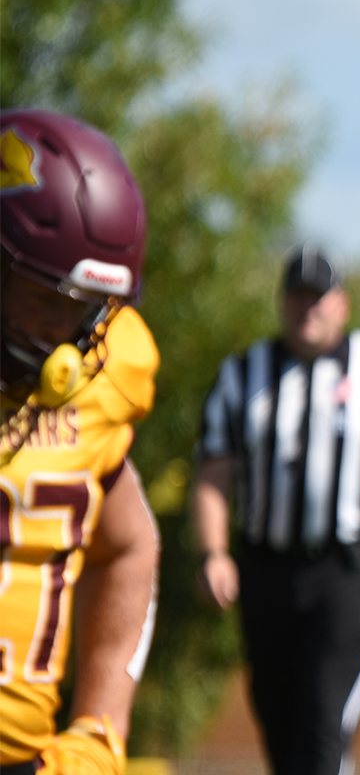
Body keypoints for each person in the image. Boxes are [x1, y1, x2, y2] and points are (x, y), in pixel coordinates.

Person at [190, 244, 360, 775]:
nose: (309, 308)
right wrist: (212, 553)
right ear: (281, 303)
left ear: (341, 304)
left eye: (319, 297)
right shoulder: (242, 374)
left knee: (324, 725)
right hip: (266, 570)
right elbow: (213, 472)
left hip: (349, 571)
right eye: (298, 296)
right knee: (281, 727)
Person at [0, 110, 160, 775]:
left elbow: (128, 544)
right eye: (48, 300)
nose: (69, 340)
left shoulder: (105, 374)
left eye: (87, 310)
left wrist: (100, 723)